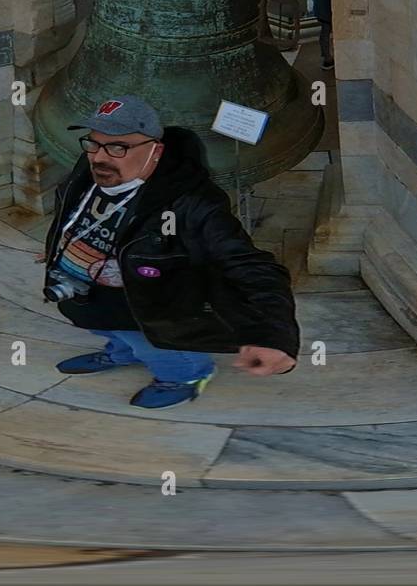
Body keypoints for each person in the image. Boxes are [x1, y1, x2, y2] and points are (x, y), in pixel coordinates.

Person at [39, 96, 299, 410]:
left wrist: (274, 335)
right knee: (102, 325)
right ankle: (121, 351)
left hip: (144, 309)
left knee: (153, 346)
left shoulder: (191, 204)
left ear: (155, 150)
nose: (100, 157)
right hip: (87, 294)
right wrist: (57, 250)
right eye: (94, 144)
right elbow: (72, 215)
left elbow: (251, 266)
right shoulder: (90, 171)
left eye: (118, 147)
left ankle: (186, 376)